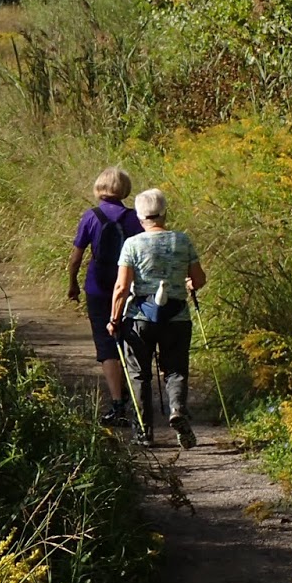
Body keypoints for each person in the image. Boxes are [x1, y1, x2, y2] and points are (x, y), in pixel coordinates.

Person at [108, 188, 207, 449]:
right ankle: (177, 409)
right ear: (165, 214)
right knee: (175, 369)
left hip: (140, 317)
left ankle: (144, 431)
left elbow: (121, 287)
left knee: (139, 374)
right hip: (176, 317)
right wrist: (186, 282)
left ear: (140, 217)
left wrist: (114, 319)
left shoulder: (133, 244)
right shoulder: (182, 241)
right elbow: (199, 280)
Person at [67, 168, 142, 426]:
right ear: (124, 190)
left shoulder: (91, 217)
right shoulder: (134, 219)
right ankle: (137, 399)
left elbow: (75, 258)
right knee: (129, 339)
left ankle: (117, 404)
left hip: (98, 287)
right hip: (129, 288)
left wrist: (73, 284)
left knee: (106, 344)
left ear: (99, 189)